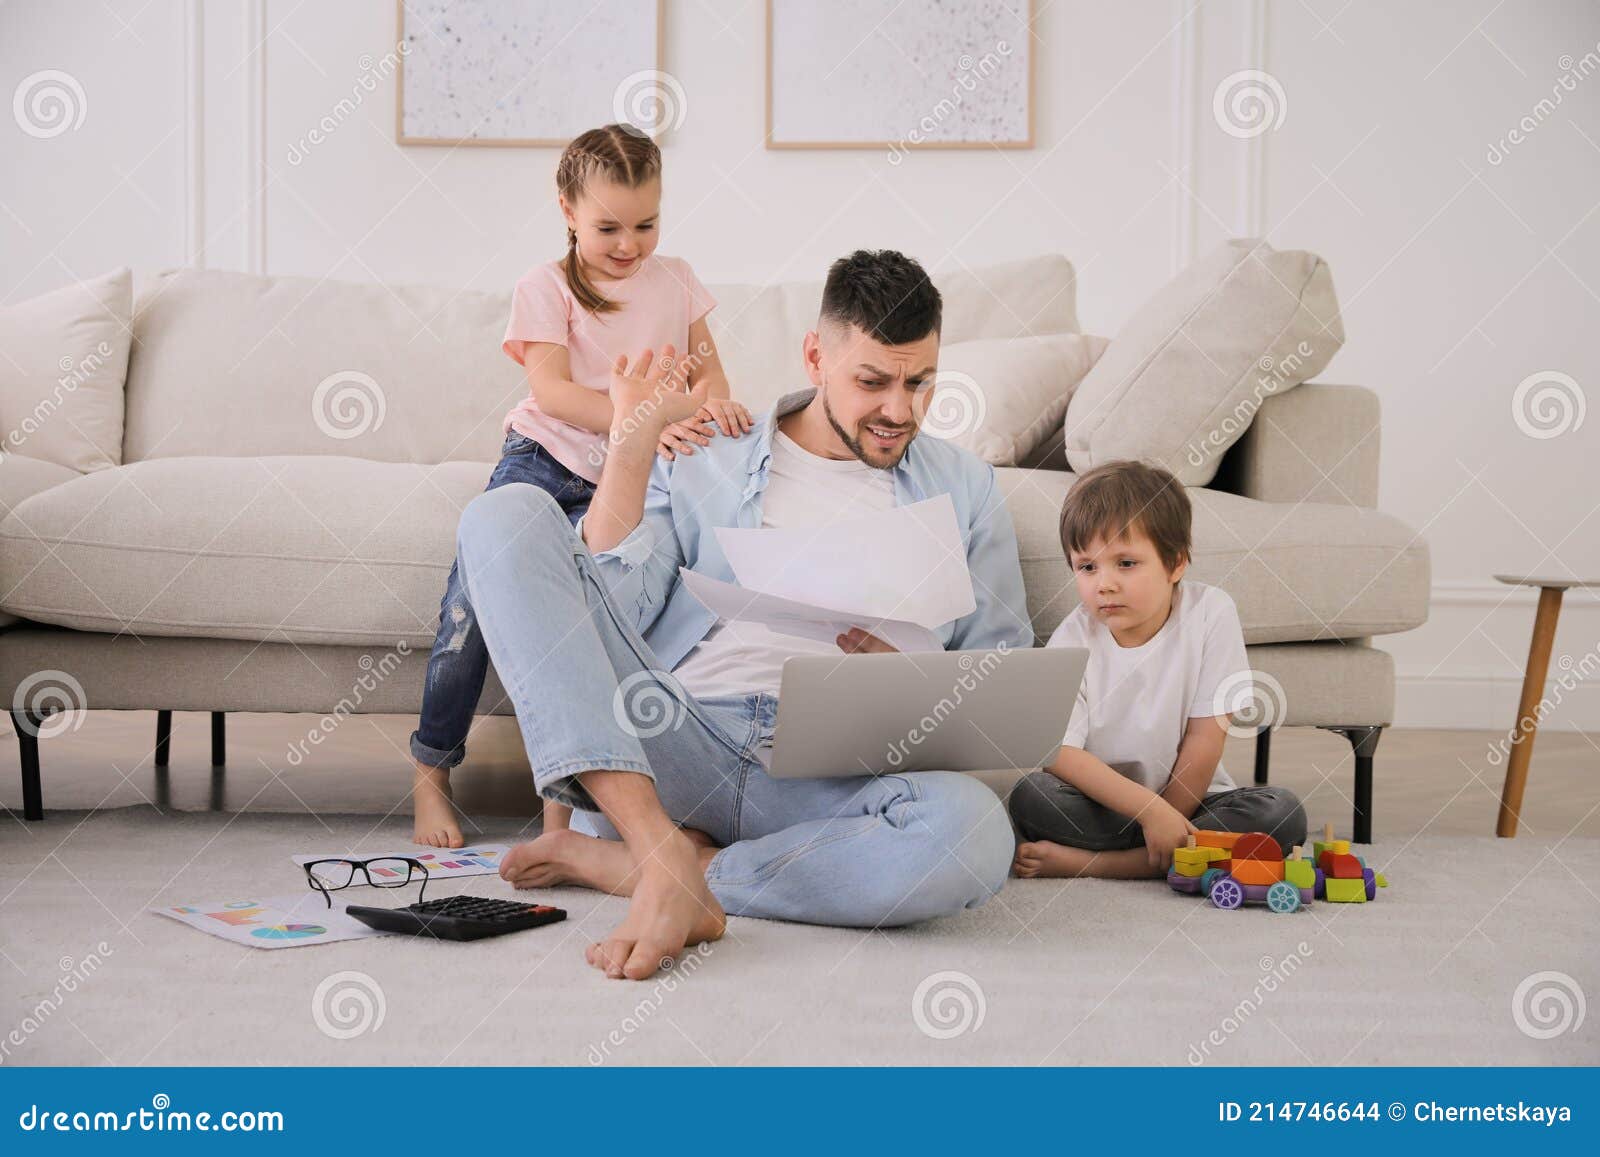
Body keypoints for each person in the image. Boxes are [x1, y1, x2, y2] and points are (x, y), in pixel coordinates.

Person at [453, 249, 1032, 979]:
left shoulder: (967, 488)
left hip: (835, 778)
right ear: (816, 357)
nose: (898, 410)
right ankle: (657, 845)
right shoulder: (709, 450)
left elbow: (1005, 673)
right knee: (501, 517)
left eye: (920, 383)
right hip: (680, 734)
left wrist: (920, 686)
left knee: (974, 833)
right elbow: (608, 611)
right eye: (872, 382)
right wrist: (631, 448)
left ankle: (659, 869)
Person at [409, 124, 751, 847]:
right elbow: (554, 393)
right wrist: (641, 422)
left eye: (646, 224)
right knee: (472, 609)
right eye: (608, 227)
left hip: (631, 479)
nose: (629, 244)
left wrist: (702, 408)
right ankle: (430, 773)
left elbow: (710, 378)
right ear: (567, 210)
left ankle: (562, 813)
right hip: (544, 460)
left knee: (587, 617)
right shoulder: (546, 287)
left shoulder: (677, 280)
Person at [1007, 460, 1307, 879]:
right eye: (1087, 566)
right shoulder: (1073, 638)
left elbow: (1205, 738)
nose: (1104, 584)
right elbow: (1060, 754)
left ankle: (1105, 864)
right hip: (1108, 805)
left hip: (1190, 802)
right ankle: (1176, 859)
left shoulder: (1211, 612)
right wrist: (1149, 812)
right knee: (1032, 797)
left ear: (1175, 563)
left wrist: (1167, 816)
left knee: (1281, 813)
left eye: (1126, 563)